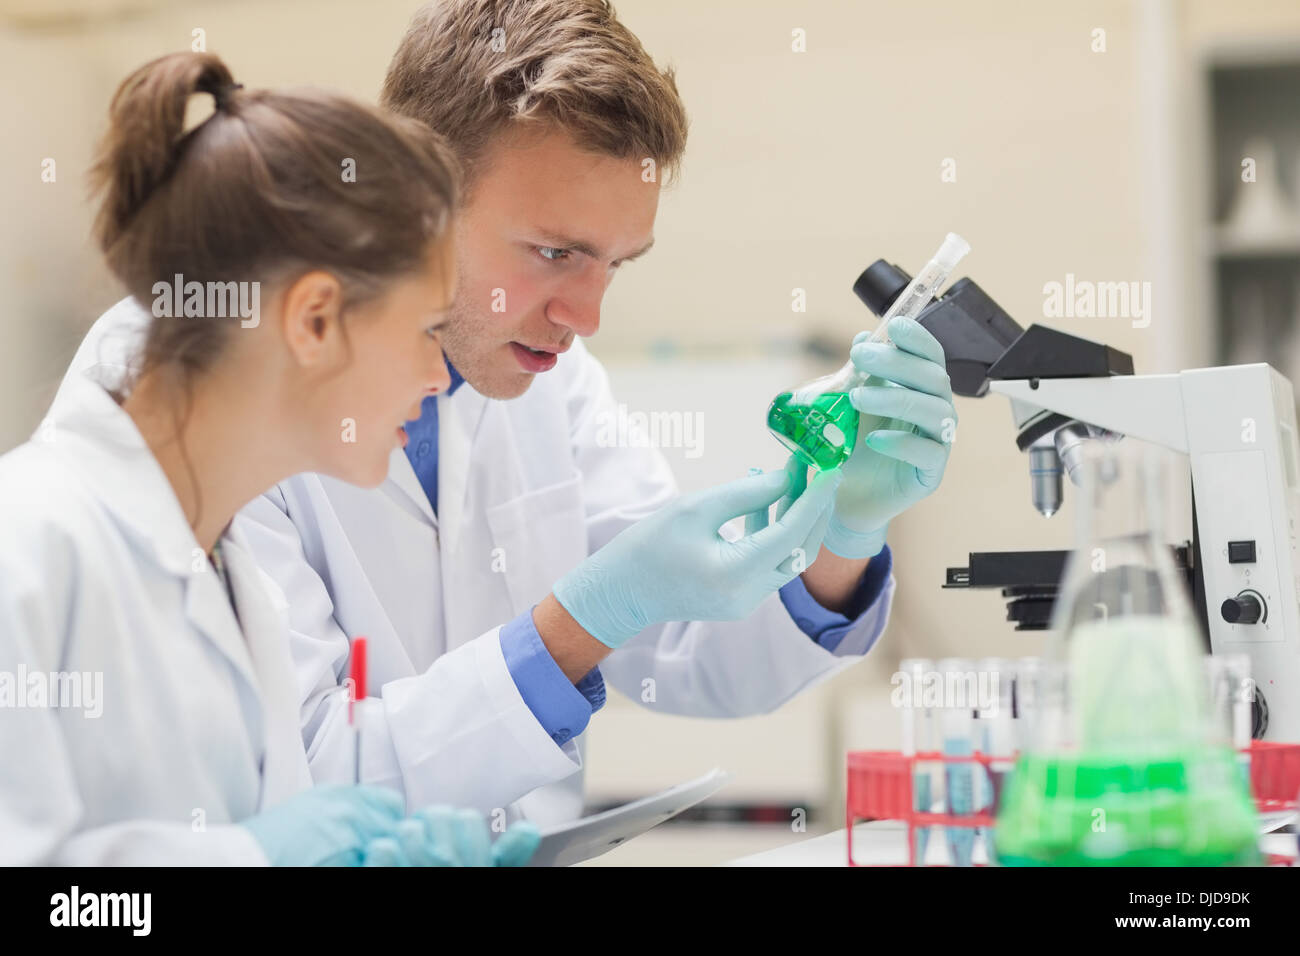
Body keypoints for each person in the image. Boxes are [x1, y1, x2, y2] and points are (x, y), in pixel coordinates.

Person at [59, 0, 957, 827]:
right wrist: (586, 615)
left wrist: (842, 529)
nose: (586, 317)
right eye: (555, 251)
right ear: (415, 187)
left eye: (616, 263)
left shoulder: (548, 377)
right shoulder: (196, 378)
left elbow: (691, 650)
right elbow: (297, 779)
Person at [0, 52, 537, 866]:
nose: (440, 376)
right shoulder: (31, 547)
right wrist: (248, 860)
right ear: (315, 320)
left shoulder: (237, 579)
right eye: (428, 330)